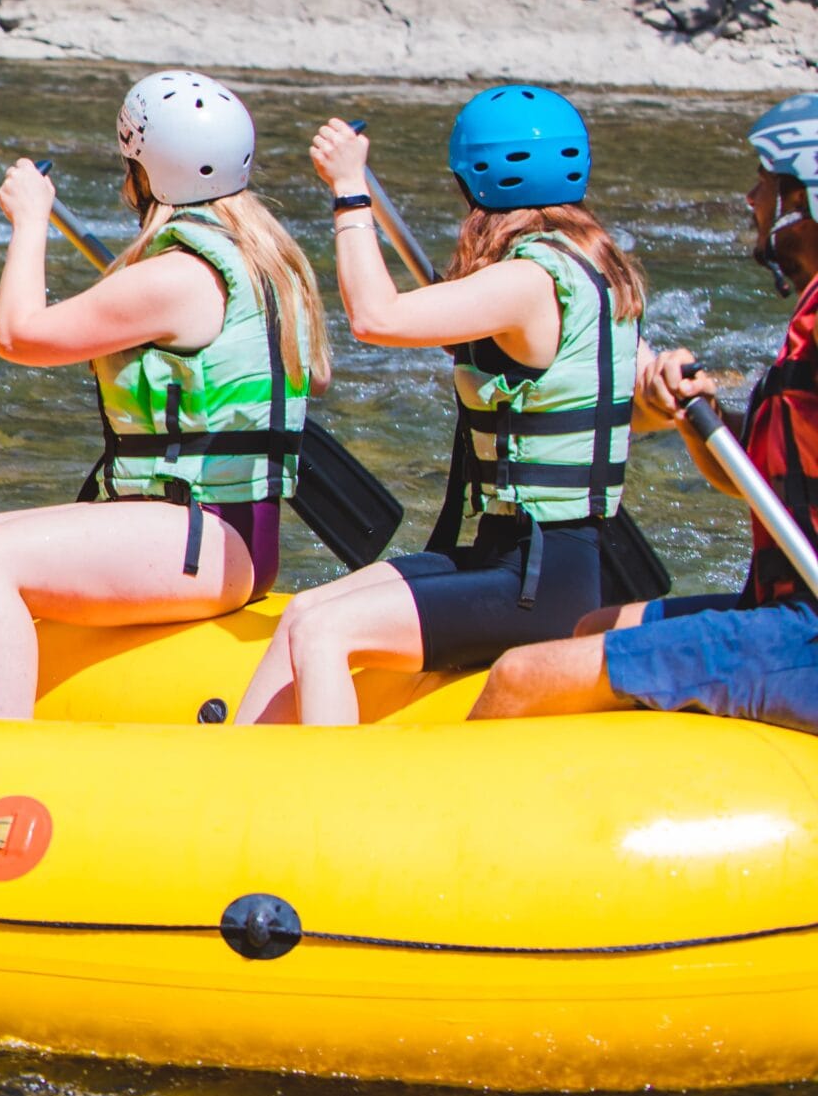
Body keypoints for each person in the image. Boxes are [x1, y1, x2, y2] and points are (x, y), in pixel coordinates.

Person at [0, 72, 326, 718]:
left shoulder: (178, 275)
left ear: (147, 173)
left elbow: (19, 336)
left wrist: (30, 219)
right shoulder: (268, 259)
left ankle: (2, 750)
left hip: (203, 538)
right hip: (222, 532)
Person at [235, 87, 647, 725]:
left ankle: (326, 786)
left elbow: (376, 318)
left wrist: (350, 191)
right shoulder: (593, 269)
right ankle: (243, 766)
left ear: (471, 183)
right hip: (512, 557)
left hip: (539, 585)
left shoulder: (527, 281)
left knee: (325, 633)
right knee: (303, 613)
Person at [475, 93, 818, 733]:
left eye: (767, 184)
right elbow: (756, 484)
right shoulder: (805, 323)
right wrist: (697, 417)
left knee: (521, 676)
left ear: (803, 201)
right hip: (784, 607)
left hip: (806, 634)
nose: (752, 198)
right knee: (594, 627)